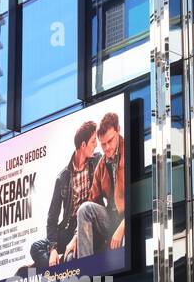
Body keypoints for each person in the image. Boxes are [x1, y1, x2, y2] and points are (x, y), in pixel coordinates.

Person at [30, 121, 101, 271]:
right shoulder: (62, 177)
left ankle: (63, 266)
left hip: (89, 222)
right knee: (36, 248)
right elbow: (52, 217)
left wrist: (76, 238)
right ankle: (59, 267)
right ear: (83, 145)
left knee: (71, 257)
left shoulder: (97, 162)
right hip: (69, 227)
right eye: (93, 141)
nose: (96, 145)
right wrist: (53, 248)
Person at [76, 111, 127, 257]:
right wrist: (75, 237)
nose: (107, 148)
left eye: (110, 141)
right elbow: (91, 200)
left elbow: (140, 197)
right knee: (84, 209)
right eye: (103, 144)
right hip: (111, 220)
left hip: (128, 219)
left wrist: (123, 226)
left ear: (118, 130)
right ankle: (85, 269)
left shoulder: (130, 152)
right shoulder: (102, 164)